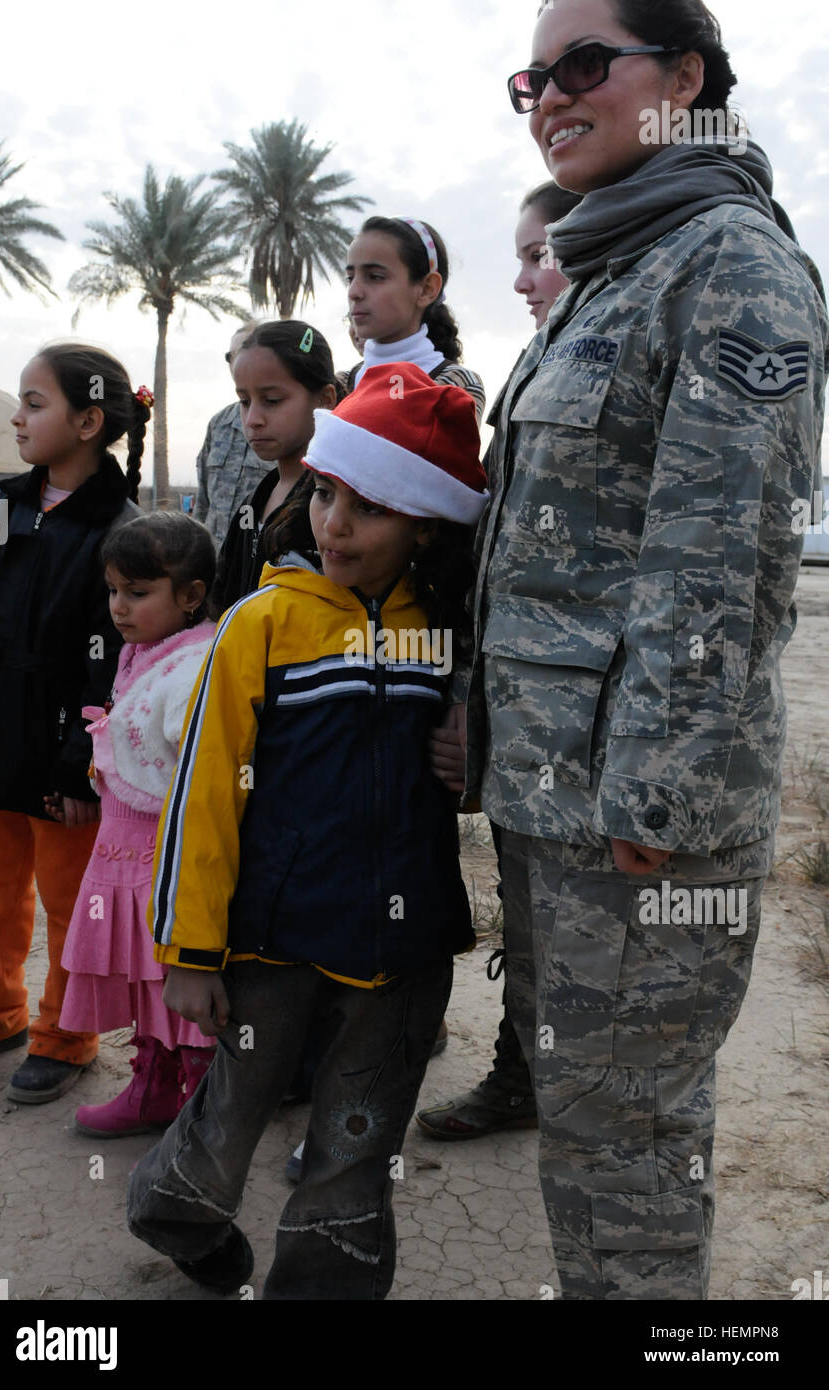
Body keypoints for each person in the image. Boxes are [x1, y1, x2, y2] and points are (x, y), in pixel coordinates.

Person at [451, 0, 828, 1299]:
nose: (548, 93)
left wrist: (655, 804)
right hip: (567, 813)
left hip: (638, 826)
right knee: (588, 1119)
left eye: (580, 65)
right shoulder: (610, 265)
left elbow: (721, 564)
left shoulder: (725, 262)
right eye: (530, 76)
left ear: (681, 79)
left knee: (631, 1144)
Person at [127, 364, 489, 1299]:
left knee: (355, 1143)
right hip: (269, 944)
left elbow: (469, 775)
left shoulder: (447, 636)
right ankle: (173, 1209)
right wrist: (192, 950)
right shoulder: (262, 624)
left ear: (425, 525)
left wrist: (471, 759)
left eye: (369, 508)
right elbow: (203, 795)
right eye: (328, 493)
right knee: (229, 1120)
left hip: (402, 952)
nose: (334, 523)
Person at [418, 180, 582, 1142]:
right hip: (518, 708)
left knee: (586, 939)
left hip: (588, 722)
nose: (521, 279)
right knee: (526, 919)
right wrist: (468, 702)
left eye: (539, 255)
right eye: (518, 256)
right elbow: (495, 564)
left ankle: (578, 1104)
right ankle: (520, 1081)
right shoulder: (537, 365)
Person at [0, 343, 146, 1103]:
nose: (17, 416)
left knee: (70, 904)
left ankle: (64, 1037)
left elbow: (111, 664)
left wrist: (80, 761)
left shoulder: (121, 529)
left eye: (34, 403)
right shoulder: (1, 508)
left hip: (61, 756)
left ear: (87, 421)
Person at [56, 512, 218, 1136]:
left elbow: (200, 777)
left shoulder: (196, 667)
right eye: (113, 590)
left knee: (175, 985)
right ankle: (152, 1086)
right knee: (144, 983)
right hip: (121, 852)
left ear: (191, 595)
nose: (119, 607)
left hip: (162, 856)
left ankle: (202, 1113)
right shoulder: (143, 653)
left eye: (138, 592)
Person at [210, 322, 337, 612]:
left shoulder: (331, 507)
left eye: (272, 400)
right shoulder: (253, 502)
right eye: (244, 401)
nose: (253, 418)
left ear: (325, 399)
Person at [343, 215, 486, 424]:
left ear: (427, 289)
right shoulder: (339, 385)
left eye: (375, 276)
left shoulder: (455, 386)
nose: (354, 292)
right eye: (350, 278)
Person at [193, 322, 271, 546]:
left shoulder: (287, 423)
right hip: (215, 557)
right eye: (231, 355)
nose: (237, 360)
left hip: (258, 558)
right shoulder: (219, 423)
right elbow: (203, 501)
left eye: (245, 350)